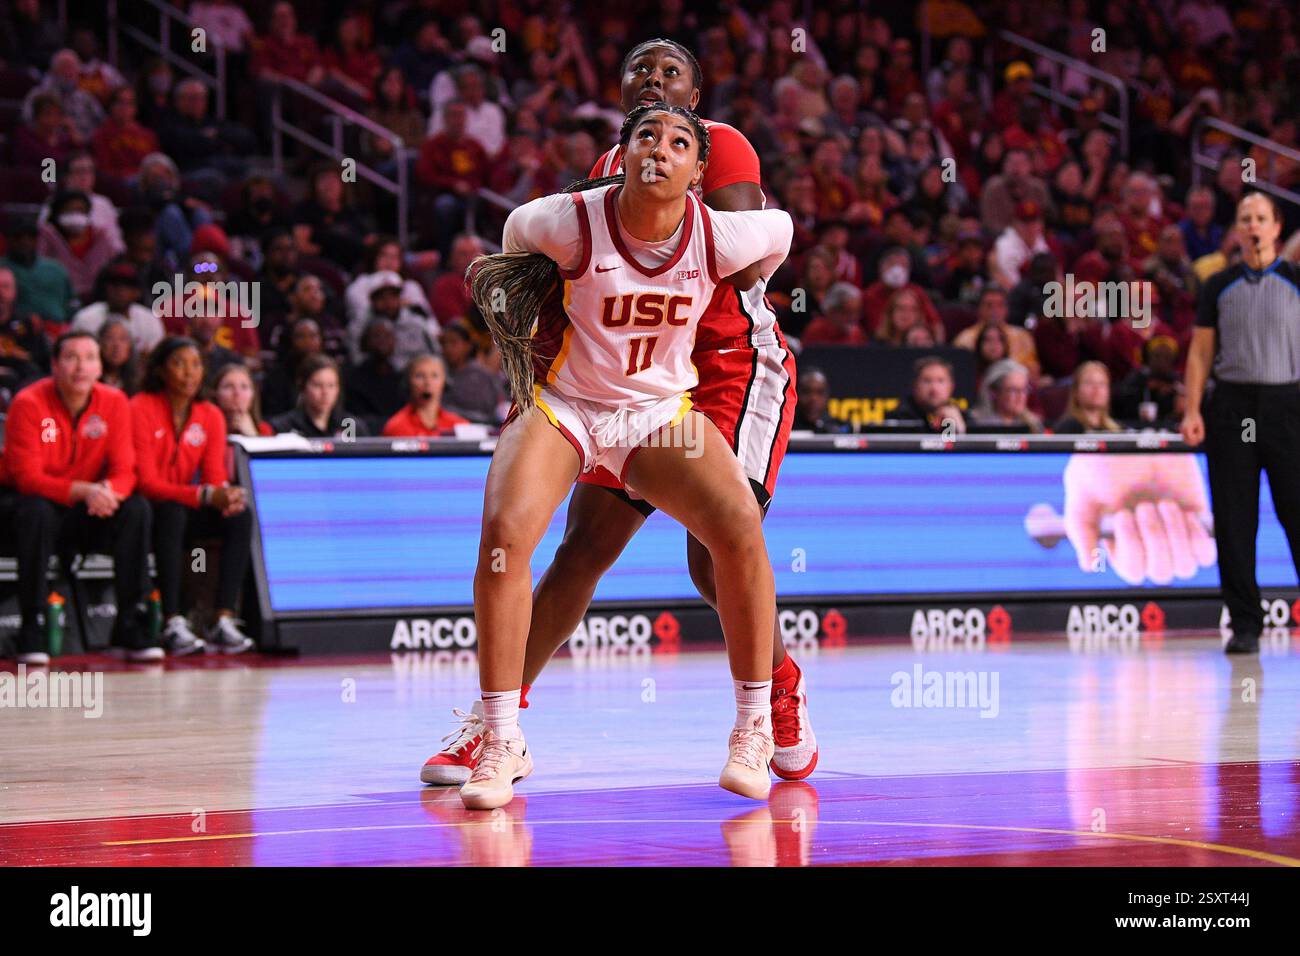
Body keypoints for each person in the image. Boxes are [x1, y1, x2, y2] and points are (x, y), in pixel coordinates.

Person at [421, 42, 814, 795]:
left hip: (725, 367)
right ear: (621, 96)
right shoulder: (604, 177)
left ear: (696, 95)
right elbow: (538, 250)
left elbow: (735, 251)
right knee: (582, 547)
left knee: (714, 552)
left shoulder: (716, 148)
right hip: (613, 378)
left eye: (671, 74)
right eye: (640, 72)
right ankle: (494, 725)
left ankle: (774, 699)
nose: (655, 81)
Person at [1182, 191, 1300, 654]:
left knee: (1296, 513)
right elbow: (1200, 352)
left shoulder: (1296, 280)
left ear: (1276, 227)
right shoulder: (1218, 285)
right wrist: (1192, 410)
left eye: (1261, 219)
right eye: (1245, 219)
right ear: (1237, 229)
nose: (1252, 227)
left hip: (1288, 404)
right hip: (1233, 406)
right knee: (1234, 520)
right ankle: (1245, 624)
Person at [0, 331, 159, 663]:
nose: (80, 366)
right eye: (71, 357)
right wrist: (85, 490)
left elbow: (125, 469)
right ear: (55, 365)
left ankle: (130, 620)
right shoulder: (28, 403)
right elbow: (27, 478)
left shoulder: (114, 402)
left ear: (100, 366)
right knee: (35, 510)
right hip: (33, 513)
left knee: (136, 509)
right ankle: (33, 623)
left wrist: (109, 493)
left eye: (89, 357)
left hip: (87, 513)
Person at [130, 338, 255, 655]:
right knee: (171, 512)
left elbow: (214, 475)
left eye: (197, 364)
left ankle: (222, 619)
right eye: (179, 364)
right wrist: (204, 494)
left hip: (188, 505)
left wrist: (226, 496)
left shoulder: (210, 414)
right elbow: (146, 482)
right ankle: (172, 621)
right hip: (148, 511)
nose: (189, 373)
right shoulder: (140, 407)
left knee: (240, 517)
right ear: (160, 370)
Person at [71, 259, 164, 352]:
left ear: (137, 292)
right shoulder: (86, 318)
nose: (120, 291)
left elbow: (156, 357)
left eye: (127, 286)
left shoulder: (149, 321)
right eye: (115, 285)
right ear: (106, 288)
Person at [270, 353, 370, 438]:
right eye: (317, 385)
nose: (325, 392)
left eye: (331, 385)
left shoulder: (352, 426)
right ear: (302, 387)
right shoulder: (283, 427)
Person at [382, 354, 468, 437]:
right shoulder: (396, 426)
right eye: (419, 376)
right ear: (408, 382)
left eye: (434, 376)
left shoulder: (459, 426)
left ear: (444, 382)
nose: (428, 382)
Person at [440, 317, 505, 424]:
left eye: (453, 342)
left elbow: (490, 413)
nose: (447, 348)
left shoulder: (480, 376)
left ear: (467, 345)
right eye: (444, 343)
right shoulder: (438, 372)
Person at [887, 356, 967, 433]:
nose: (934, 389)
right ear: (915, 385)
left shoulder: (960, 417)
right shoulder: (899, 420)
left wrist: (958, 430)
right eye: (927, 381)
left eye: (940, 381)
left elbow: (948, 445)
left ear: (951, 386)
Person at [970, 359, 1043, 432]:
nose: (1021, 396)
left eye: (1024, 389)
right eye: (1013, 390)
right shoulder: (977, 425)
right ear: (994, 393)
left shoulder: (1035, 426)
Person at [1053, 360, 1124, 433]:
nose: (1096, 388)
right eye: (1089, 383)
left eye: (1102, 383)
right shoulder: (1066, 428)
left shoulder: (1117, 429)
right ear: (1076, 391)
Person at [213, 361, 274, 438]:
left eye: (244, 387)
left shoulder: (264, 430)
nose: (237, 393)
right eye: (228, 386)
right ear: (215, 393)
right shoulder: (204, 428)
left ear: (253, 395)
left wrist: (253, 435)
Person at [792, 367, 851, 433]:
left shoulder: (839, 428)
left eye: (820, 392)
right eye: (806, 392)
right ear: (796, 394)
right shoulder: (785, 428)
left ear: (827, 396)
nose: (813, 399)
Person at [96, 316, 141, 394]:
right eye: (110, 338)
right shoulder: (91, 380)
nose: (116, 345)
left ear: (131, 345)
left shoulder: (139, 382)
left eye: (123, 339)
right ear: (99, 343)